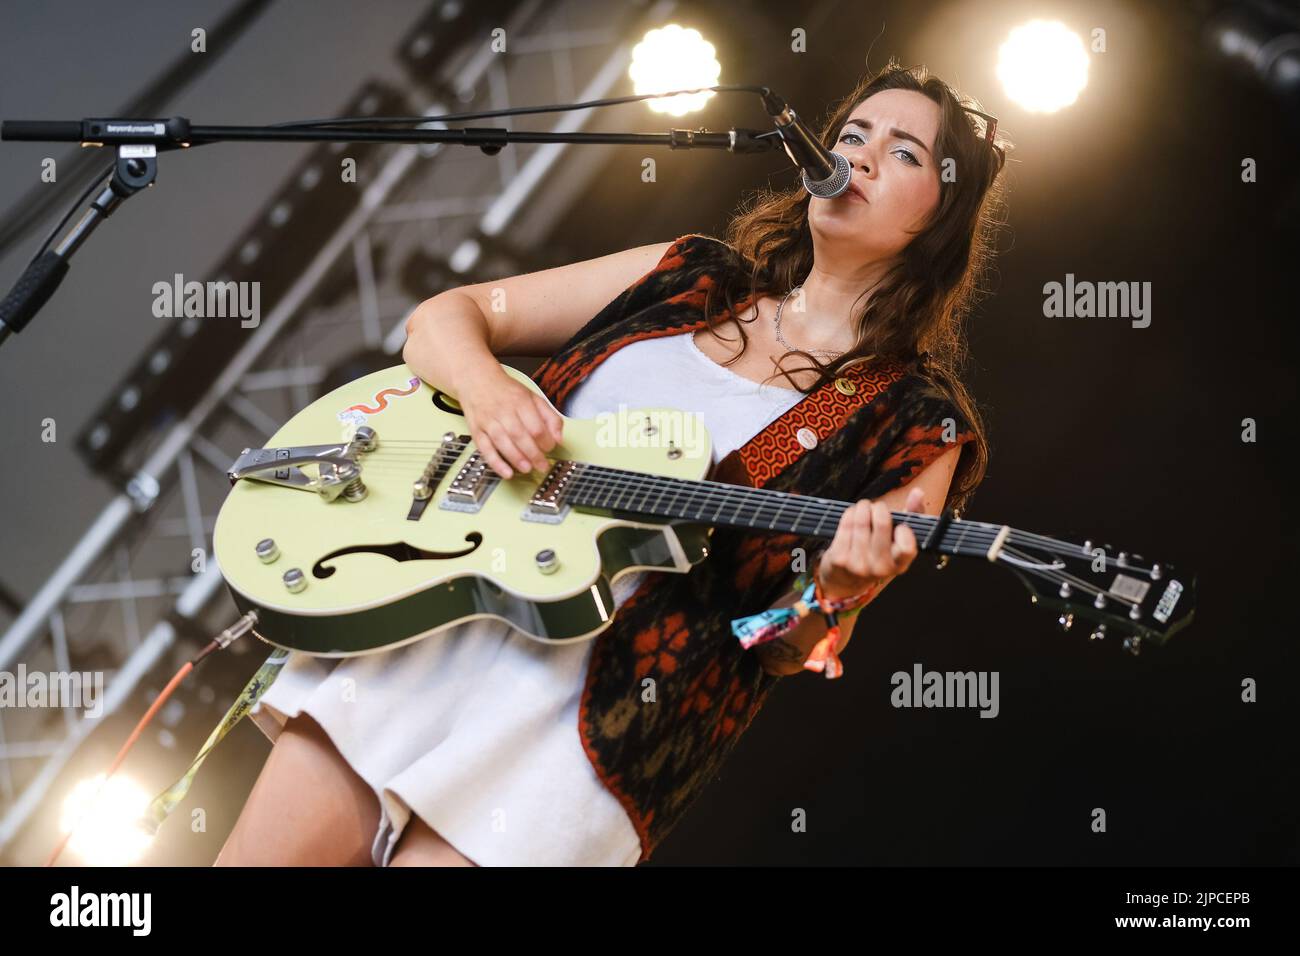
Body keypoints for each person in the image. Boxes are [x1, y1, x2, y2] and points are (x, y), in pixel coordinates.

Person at [214, 60, 1009, 867]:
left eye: (904, 152)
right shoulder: (690, 275)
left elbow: (783, 647)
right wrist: (488, 391)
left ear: (943, 214)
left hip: (595, 733)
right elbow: (444, 317)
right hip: (437, 615)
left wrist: (833, 595)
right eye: (852, 134)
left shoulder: (918, 421)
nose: (861, 156)